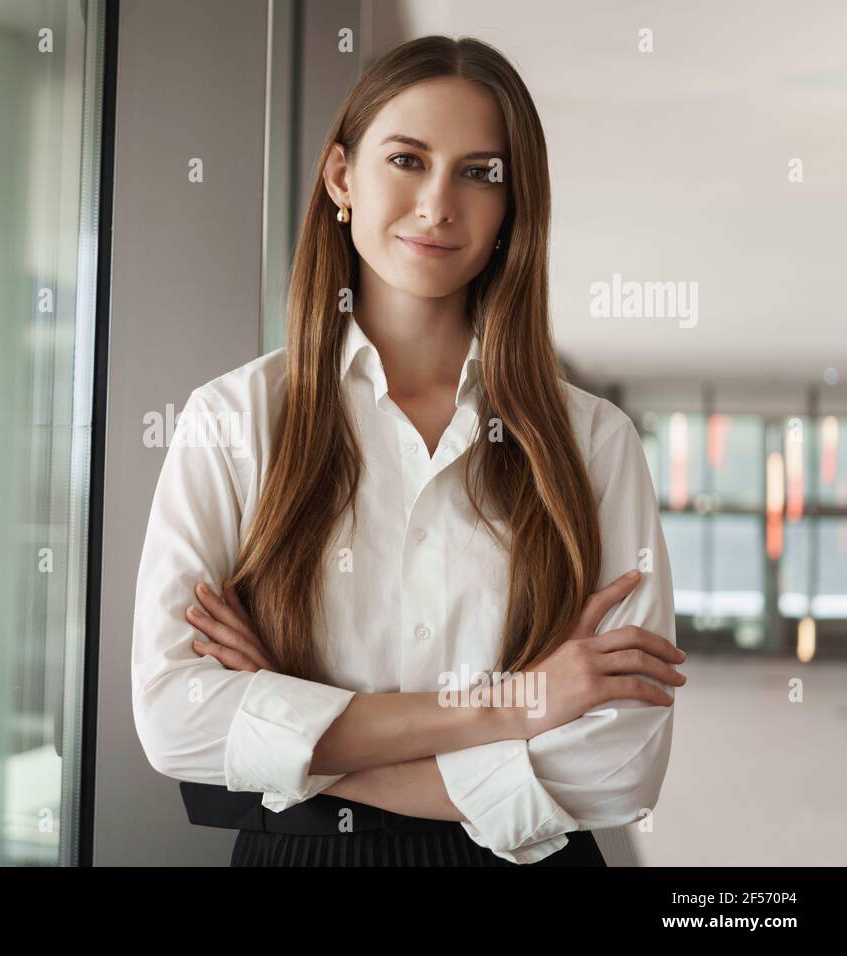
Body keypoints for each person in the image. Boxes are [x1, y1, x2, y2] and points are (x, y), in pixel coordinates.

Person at [130, 35, 686, 867]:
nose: (437, 204)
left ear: (511, 208)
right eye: (407, 159)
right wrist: (514, 708)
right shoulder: (235, 418)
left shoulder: (593, 442)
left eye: (478, 172)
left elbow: (619, 767)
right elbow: (174, 717)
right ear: (341, 178)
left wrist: (296, 738)